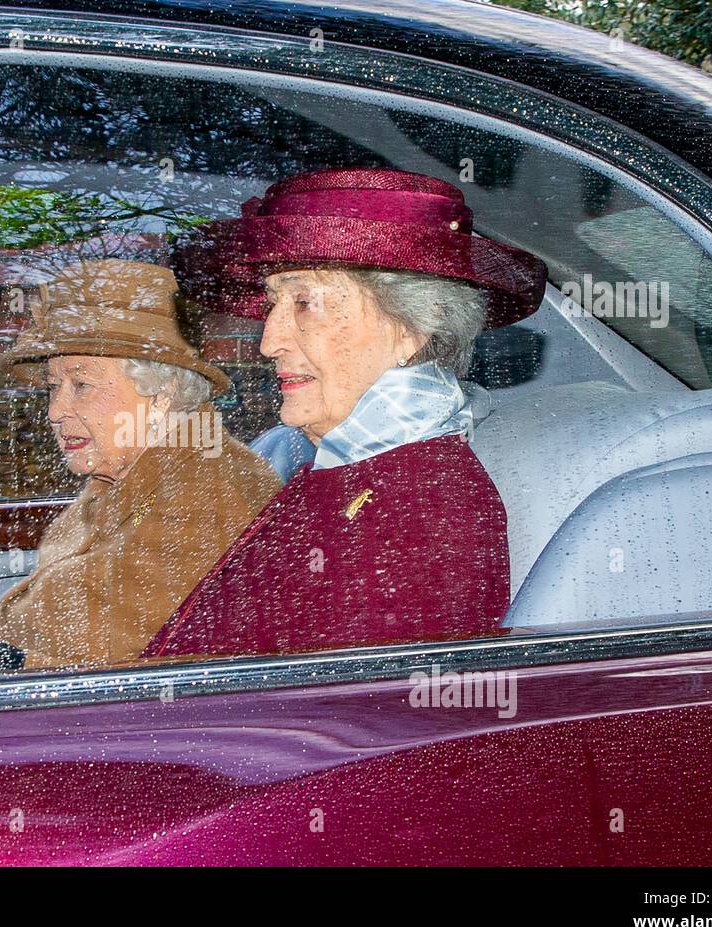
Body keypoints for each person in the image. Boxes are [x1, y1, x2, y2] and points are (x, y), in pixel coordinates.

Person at [144, 167, 547, 659]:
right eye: (273, 304)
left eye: (306, 303)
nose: (268, 342)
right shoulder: (346, 468)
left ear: (413, 329)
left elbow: (364, 719)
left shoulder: (421, 508)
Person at [0, 258, 282, 670]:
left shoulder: (214, 487)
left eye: (82, 385)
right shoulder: (123, 476)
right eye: (54, 388)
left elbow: (98, 627)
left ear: (160, 393)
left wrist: (12, 613)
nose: (56, 411)